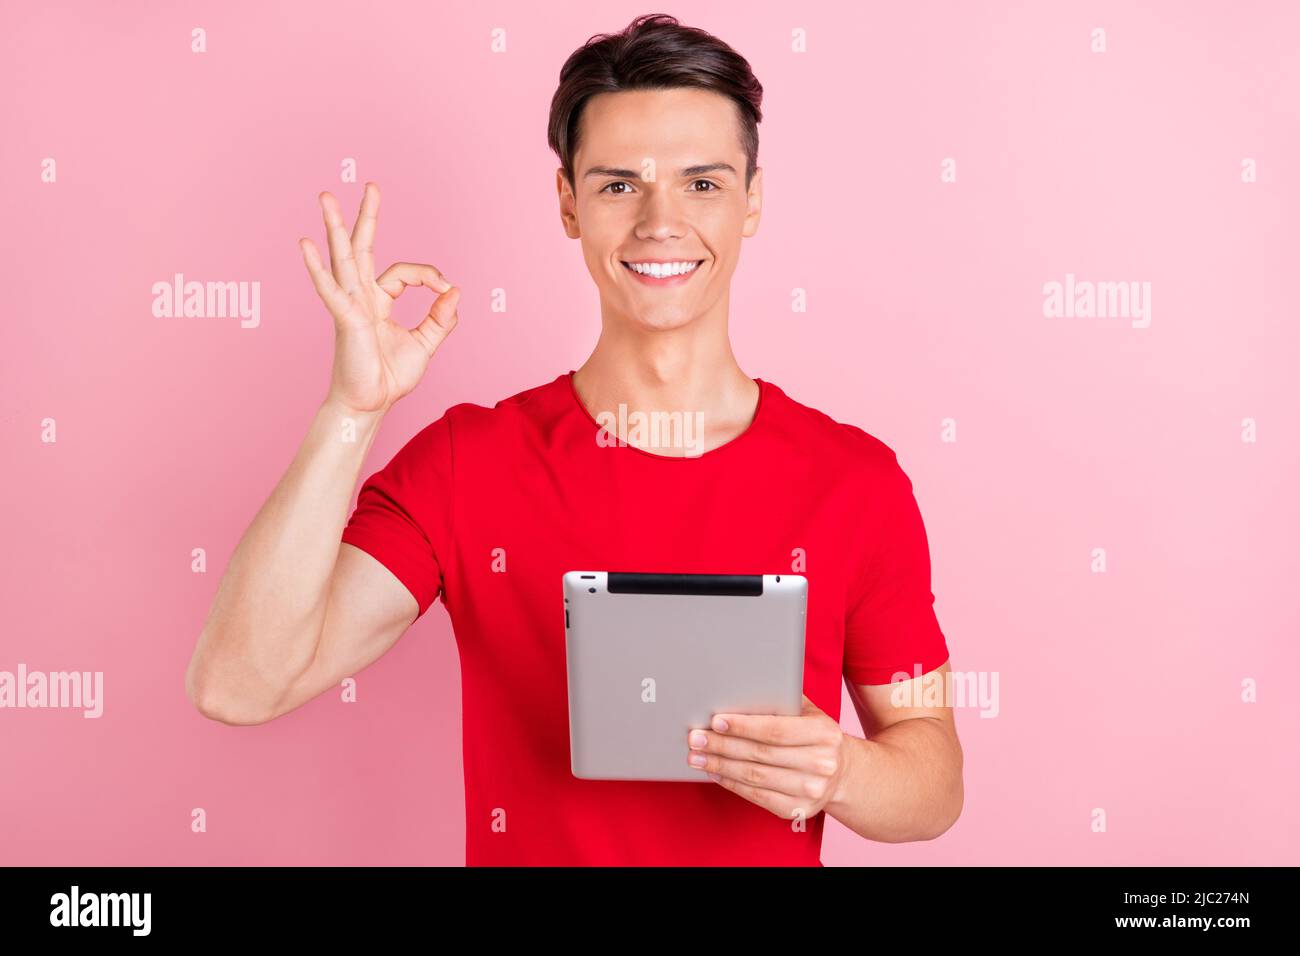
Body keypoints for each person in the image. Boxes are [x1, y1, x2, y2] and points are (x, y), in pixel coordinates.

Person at [185, 13, 962, 866]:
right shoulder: (466, 464)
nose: (661, 222)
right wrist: (352, 411)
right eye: (620, 184)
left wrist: (842, 770)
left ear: (753, 200)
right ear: (569, 204)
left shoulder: (856, 480)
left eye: (702, 183)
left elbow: (932, 779)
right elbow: (238, 685)